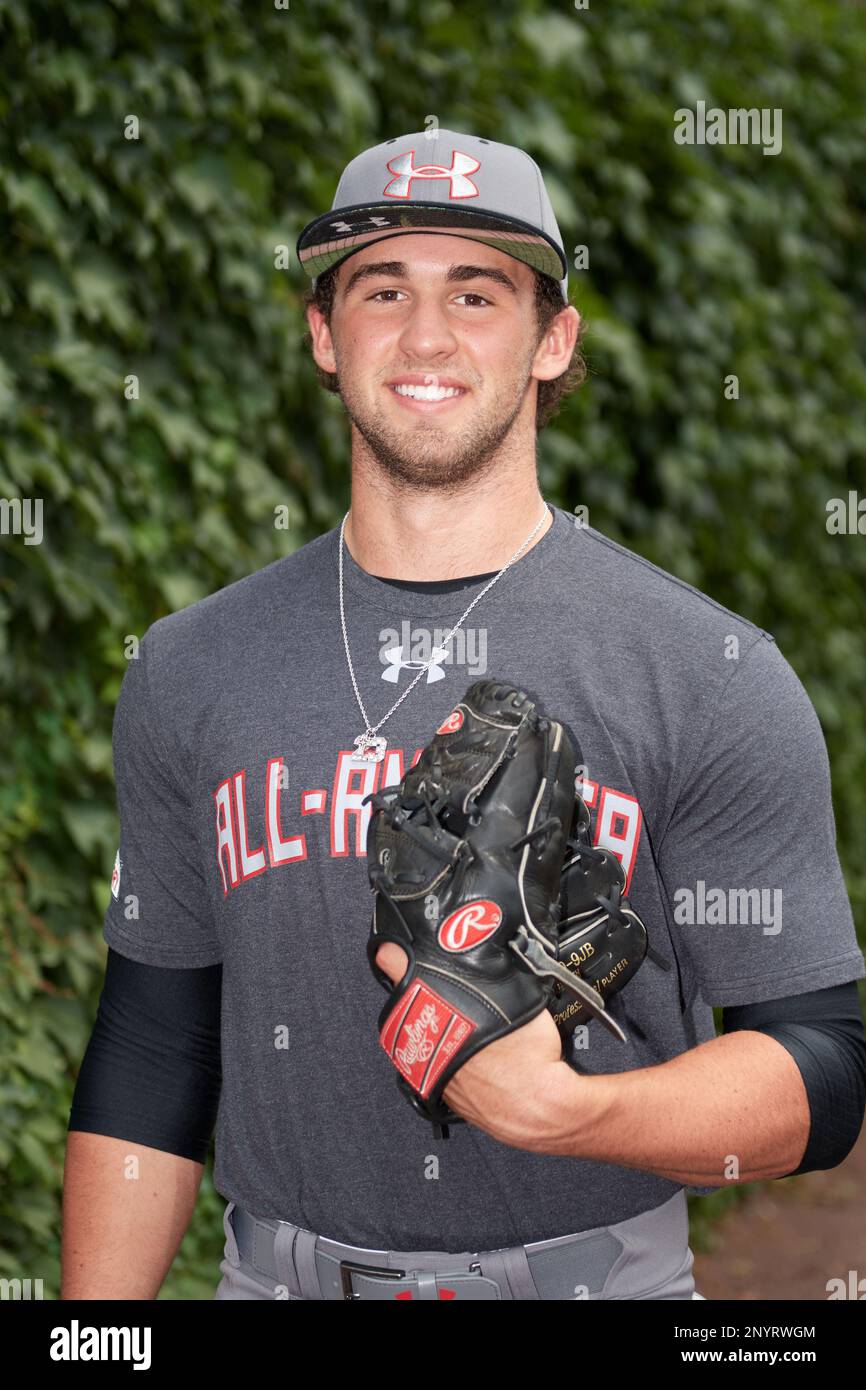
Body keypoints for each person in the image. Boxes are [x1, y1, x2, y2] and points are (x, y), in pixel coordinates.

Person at [62, 128, 866, 1301]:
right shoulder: (192, 667)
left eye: (476, 292)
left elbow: (824, 1070)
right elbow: (152, 1048)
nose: (425, 335)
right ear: (323, 336)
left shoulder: (706, 670)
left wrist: (569, 1110)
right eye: (382, 289)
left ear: (553, 340)